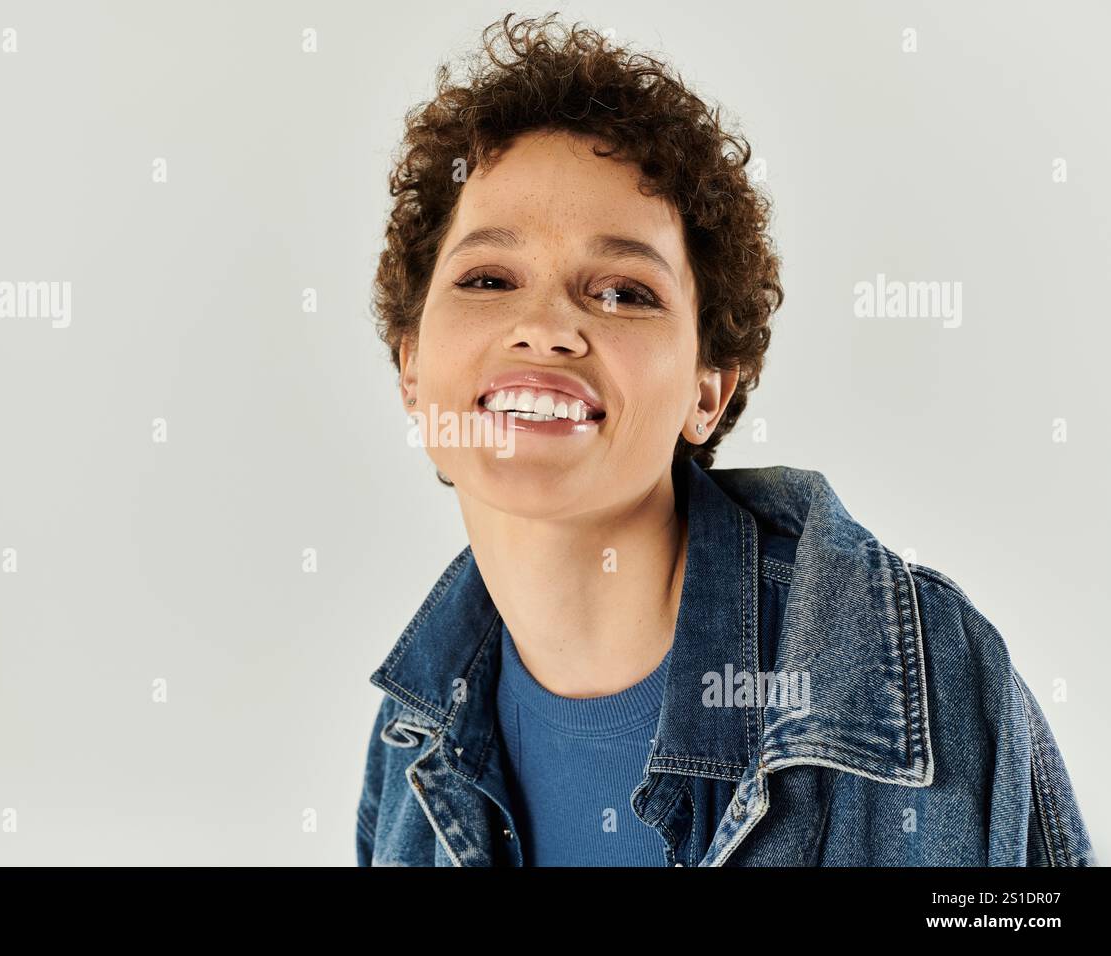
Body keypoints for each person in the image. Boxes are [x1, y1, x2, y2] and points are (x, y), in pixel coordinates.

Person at [355, 12, 1095, 867]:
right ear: (412, 368)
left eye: (625, 293)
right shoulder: (412, 736)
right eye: (488, 278)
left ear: (707, 390)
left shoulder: (918, 676)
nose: (546, 327)